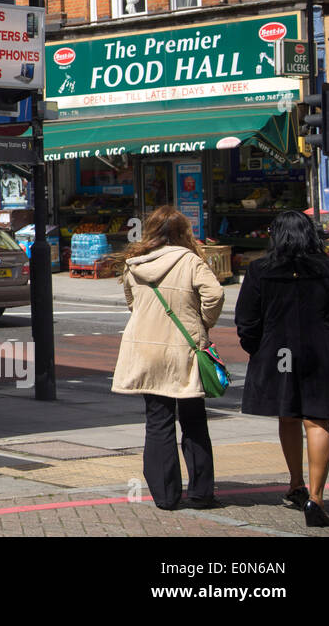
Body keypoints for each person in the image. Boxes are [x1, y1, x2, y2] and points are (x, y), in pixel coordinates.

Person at [112, 205, 225, 510]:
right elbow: (215, 296)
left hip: (146, 349)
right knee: (193, 420)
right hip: (184, 351)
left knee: (157, 422)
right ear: (183, 233)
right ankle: (201, 493)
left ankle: (165, 496)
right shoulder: (191, 262)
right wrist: (203, 321)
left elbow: (131, 303)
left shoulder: (133, 264)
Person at [235, 210, 329, 527]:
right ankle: (316, 498)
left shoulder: (260, 269)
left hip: (278, 353)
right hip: (322, 351)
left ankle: (295, 484)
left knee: (288, 415)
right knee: (318, 419)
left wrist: (257, 349)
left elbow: (247, 320)